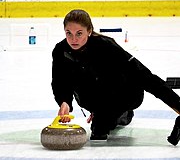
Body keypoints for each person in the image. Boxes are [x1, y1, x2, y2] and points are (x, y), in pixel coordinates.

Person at [51, 9, 180, 144]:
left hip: (123, 95)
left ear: (89, 31)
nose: (73, 39)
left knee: (101, 126)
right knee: (99, 131)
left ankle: (118, 114)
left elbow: (144, 76)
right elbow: (60, 81)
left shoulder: (106, 46)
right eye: (68, 34)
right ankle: (105, 115)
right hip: (94, 99)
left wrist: (178, 105)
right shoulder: (60, 51)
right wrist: (64, 101)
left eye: (79, 33)